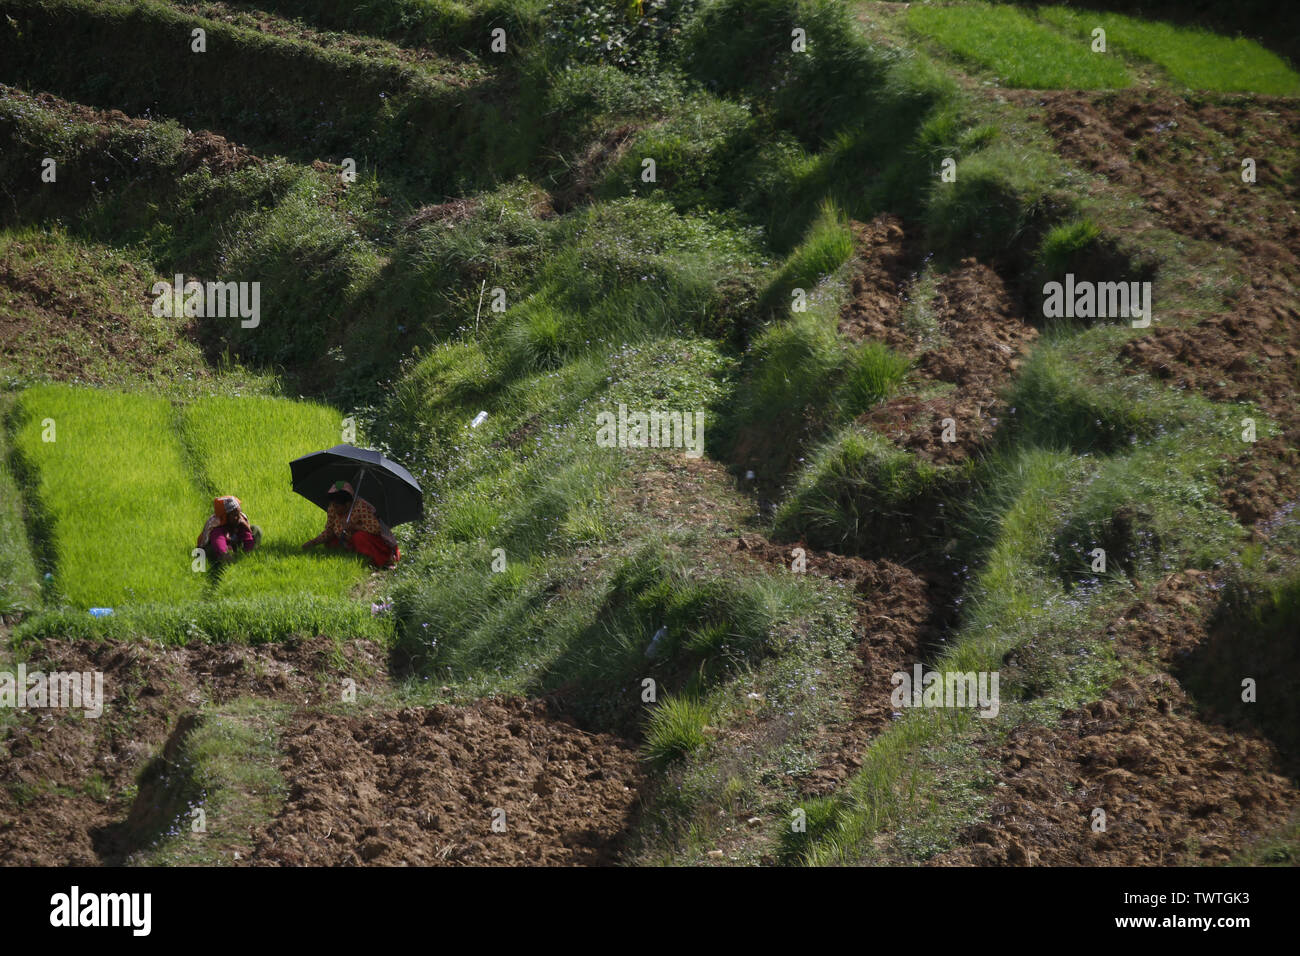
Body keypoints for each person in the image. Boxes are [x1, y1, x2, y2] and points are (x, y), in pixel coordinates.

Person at [302, 480, 400, 569]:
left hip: (372, 540)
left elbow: (376, 528)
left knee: (359, 537)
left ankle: (380, 562)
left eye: (337, 506)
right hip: (346, 539)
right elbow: (330, 530)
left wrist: (354, 526)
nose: (334, 509)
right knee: (330, 542)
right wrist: (313, 542)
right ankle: (352, 553)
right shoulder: (332, 508)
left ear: (348, 504)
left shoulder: (360, 507)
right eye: (333, 505)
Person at [197, 495, 259, 563]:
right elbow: (219, 542)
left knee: (256, 530)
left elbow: (247, 535)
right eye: (235, 515)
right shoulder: (217, 528)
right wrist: (226, 555)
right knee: (212, 551)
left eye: (239, 513)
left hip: (233, 542)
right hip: (217, 547)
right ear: (225, 517)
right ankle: (223, 559)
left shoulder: (239, 520)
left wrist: (248, 550)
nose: (239, 517)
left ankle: (251, 549)